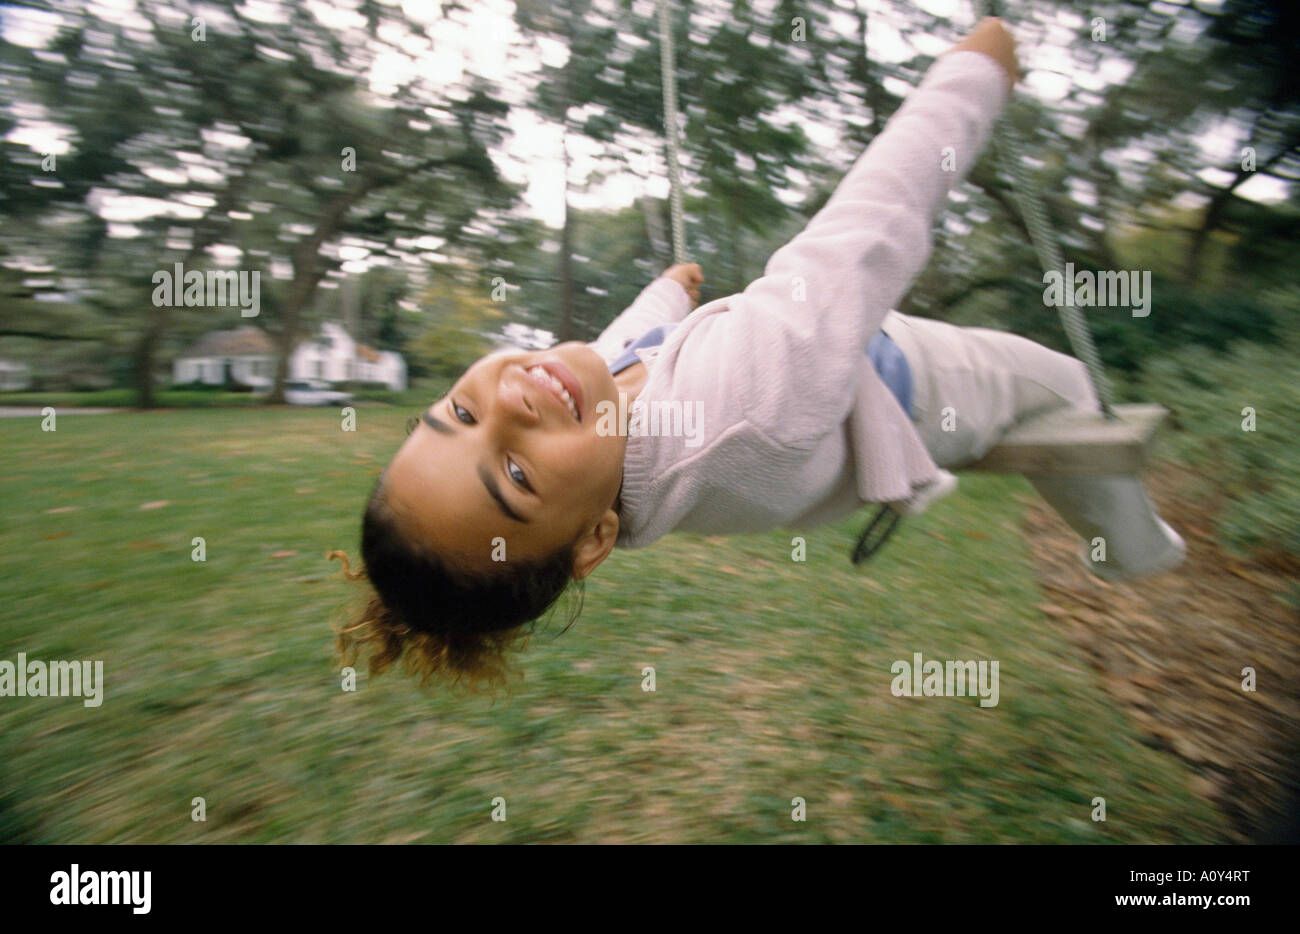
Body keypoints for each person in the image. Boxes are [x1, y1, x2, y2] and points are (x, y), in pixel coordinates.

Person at [333, 18, 1184, 690]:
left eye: (460, 413)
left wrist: (669, 293)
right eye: (515, 479)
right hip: (921, 383)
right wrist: (976, 73)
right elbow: (867, 229)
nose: (509, 405)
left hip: (847, 380)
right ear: (593, 541)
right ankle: (1134, 551)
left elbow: (615, 350)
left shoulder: (591, 425)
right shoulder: (740, 410)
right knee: (1069, 388)